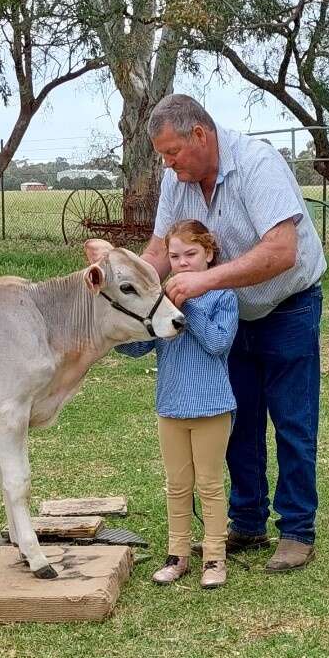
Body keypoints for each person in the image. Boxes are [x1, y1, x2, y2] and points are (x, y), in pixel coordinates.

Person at [142, 94, 326, 572]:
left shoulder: (257, 164)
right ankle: (246, 522)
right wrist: (128, 283)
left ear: (199, 135)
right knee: (237, 419)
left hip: (288, 305)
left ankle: (296, 530)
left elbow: (282, 250)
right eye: (164, 155)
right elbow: (161, 249)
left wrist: (204, 281)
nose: (168, 163)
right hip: (231, 315)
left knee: (293, 423)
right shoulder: (175, 179)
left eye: (173, 152)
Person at [116, 220, 238, 589]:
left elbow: (219, 344)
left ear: (209, 254)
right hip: (171, 408)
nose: (183, 262)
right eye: (175, 256)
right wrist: (123, 325)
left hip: (212, 407)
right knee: (177, 484)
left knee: (210, 485)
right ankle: (177, 555)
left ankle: (215, 557)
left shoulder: (223, 296)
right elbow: (138, 348)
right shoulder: (161, 302)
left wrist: (187, 307)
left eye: (191, 254)